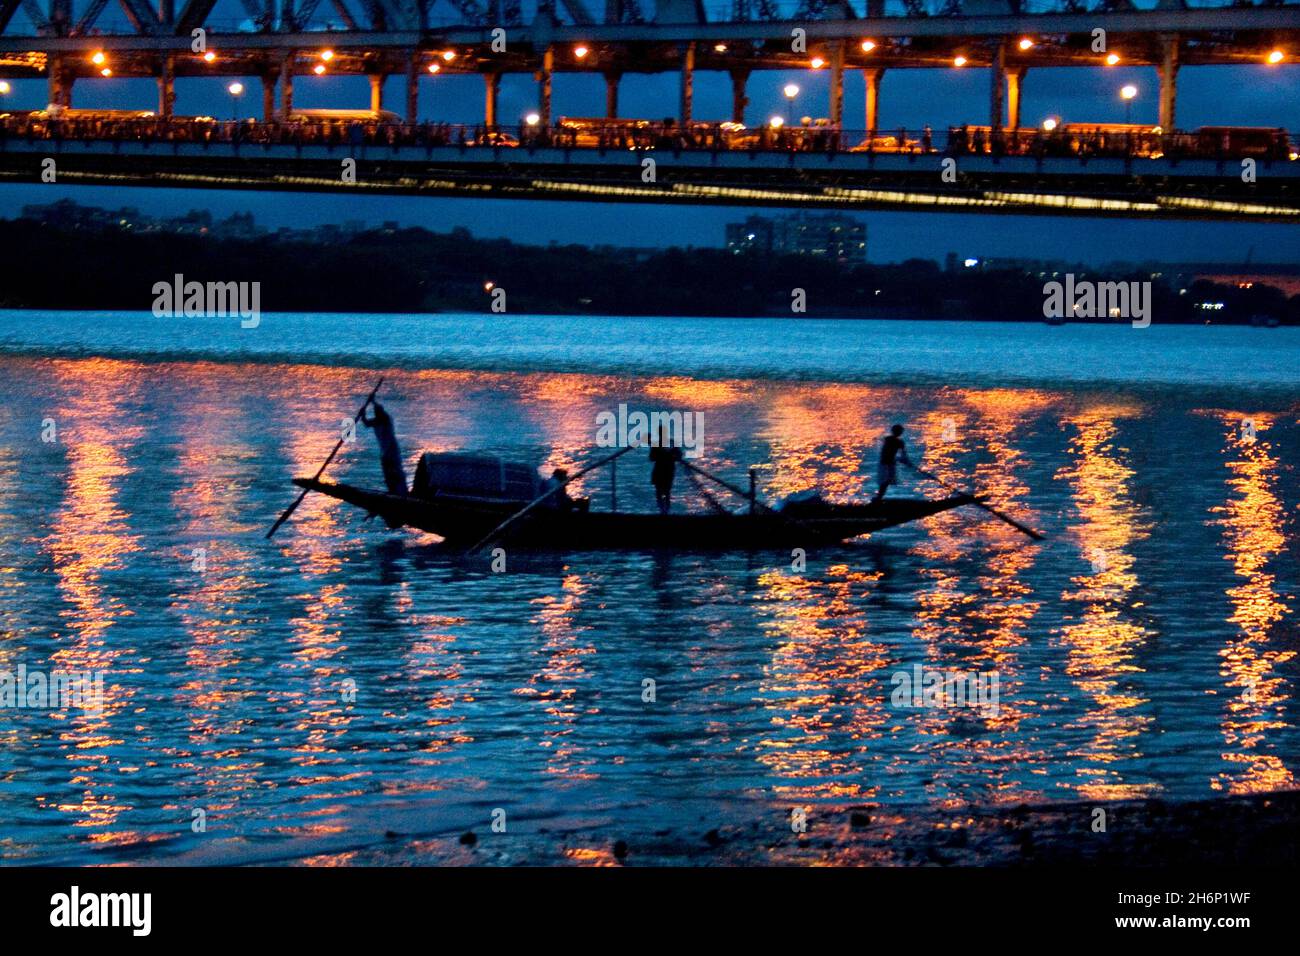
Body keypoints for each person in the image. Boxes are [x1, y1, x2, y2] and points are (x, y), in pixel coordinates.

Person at [361, 400, 408, 496]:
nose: (377, 414)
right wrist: (363, 414)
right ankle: (393, 491)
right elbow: (366, 423)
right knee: (388, 473)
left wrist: (373, 402)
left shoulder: (386, 419)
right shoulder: (376, 421)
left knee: (396, 471)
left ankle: (401, 492)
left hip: (392, 450)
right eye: (376, 413)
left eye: (379, 412)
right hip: (384, 452)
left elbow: (379, 415)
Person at [873, 424, 912, 503]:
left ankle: (879, 497)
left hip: (890, 464)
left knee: (887, 481)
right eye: (898, 431)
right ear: (894, 431)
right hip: (884, 463)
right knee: (885, 481)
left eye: (900, 431)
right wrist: (904, 460)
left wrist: (906, 461)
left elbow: (904, 454)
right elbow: (902, 455)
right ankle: (878, 498)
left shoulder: (897, 441)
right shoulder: (889, 439)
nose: (899, 433)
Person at [649, 429, 684, 515]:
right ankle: (666, 511)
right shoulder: (671, 443)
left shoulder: (656, 444)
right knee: (667, 491)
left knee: (659, 492)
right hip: (669, 470)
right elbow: (679, 455)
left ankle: (662, 511)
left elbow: (651, 458)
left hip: (659, 470)